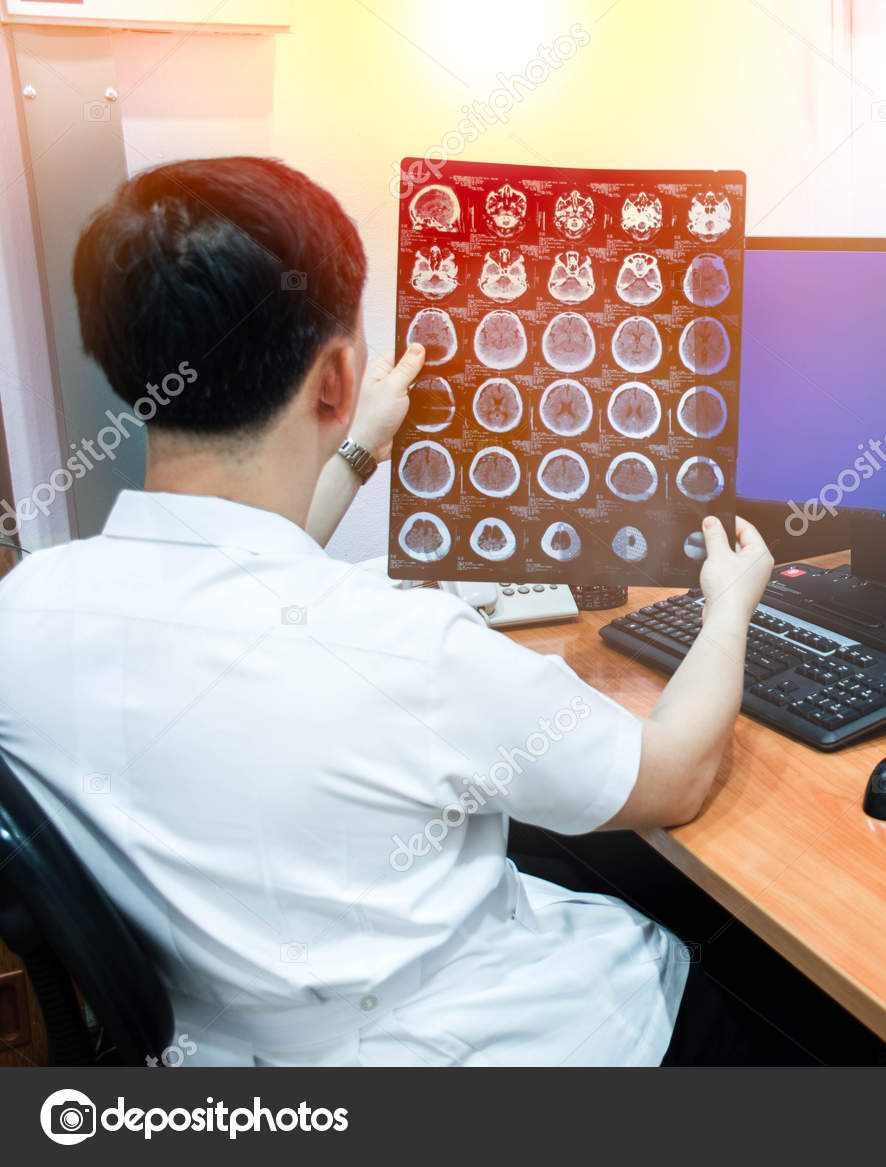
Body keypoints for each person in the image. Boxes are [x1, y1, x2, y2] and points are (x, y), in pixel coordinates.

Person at [0, 156, 775, 1065]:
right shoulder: (408, 650)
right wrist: (730, 606)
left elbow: (234, 564)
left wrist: (360, 445)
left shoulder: (27, 613)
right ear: (336, 373)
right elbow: (674, 777)